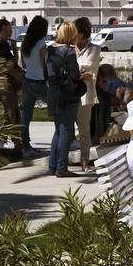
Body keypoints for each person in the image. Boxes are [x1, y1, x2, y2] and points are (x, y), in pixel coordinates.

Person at [45, 22, 85, 177]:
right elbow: (74, 75)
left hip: (53, 93)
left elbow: (45, 73)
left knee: (57, 131)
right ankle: (62, 168)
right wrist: (84, 75)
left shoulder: (50, 50)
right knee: (67, 131)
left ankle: (52, 165)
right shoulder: (68, 52)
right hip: (67, 94)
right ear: (71, 35)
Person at [73, 17, 101, 173]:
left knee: (84, 130)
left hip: (85, 95)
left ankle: (85, 162)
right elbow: (81, 71)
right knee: (64, 129)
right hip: (69, 93)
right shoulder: (69, 48)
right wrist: (81, 72)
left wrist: (74, 71)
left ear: (83, 34)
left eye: (75, 32)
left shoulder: (94, 49)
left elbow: (87, 68)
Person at [18, 16, 49, 158]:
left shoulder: (25, 43)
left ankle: (26, 147)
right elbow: (45, 65)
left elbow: (23, 65)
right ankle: (68, 139)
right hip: (40, 82)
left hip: (27, 81)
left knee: (26, 116)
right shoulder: (42, 44)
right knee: (58, 109)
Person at [0, 18, 21, 130]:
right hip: (5, 82)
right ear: (4, 27)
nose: (12, 30)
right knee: (12, 112)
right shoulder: (2, 43)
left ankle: (3, 139)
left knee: (5, 113)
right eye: (10, 27)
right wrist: (14, 49)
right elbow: (11, 64)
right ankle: (16, 141)